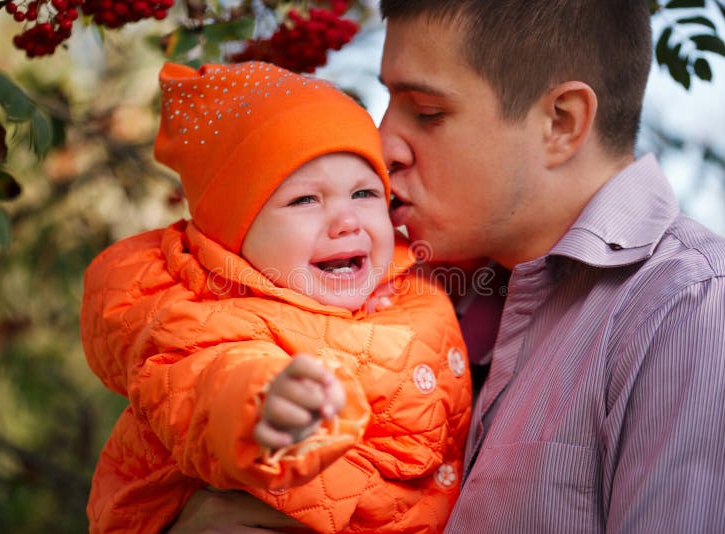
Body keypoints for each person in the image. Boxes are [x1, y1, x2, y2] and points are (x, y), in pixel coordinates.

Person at [168, 0, 725, 532]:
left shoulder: (697, 312)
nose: (382, 144)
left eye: (426, 112)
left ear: (562, 122)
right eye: (387, 102)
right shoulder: (393, 289)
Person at [80, 60, 471, 533]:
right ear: (233, 236)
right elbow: (210, 383)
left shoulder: (410, 278)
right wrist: (265, 410)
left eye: (365, 193)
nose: (346, 220)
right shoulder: (200, 317)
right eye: (305, 200)